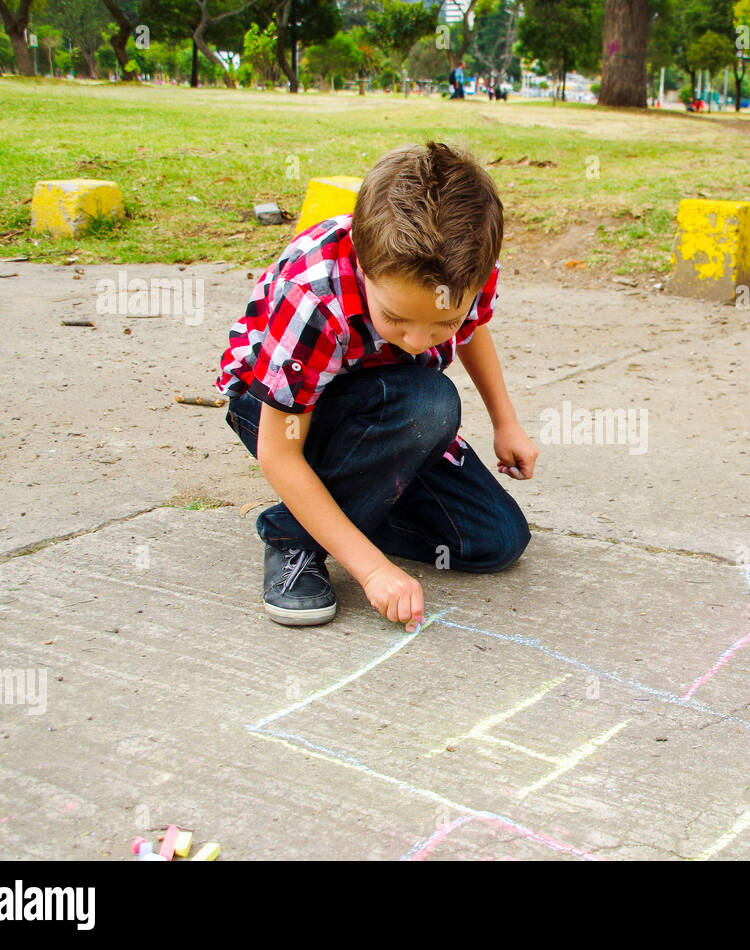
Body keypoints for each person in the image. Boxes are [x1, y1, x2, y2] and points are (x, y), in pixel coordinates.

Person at [214, 141, 536, 629]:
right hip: (281, 413)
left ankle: (352, 506)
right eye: (396, 318)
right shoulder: (315, 293)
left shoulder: (467, 268)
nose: (417, 340)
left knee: (494, 540)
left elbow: (474, 329)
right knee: (430, 403)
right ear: (363, 265)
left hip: (394, 415)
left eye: (441, 323)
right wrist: (371, 569)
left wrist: (505, 422)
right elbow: (279, 452)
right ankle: (291, 538)